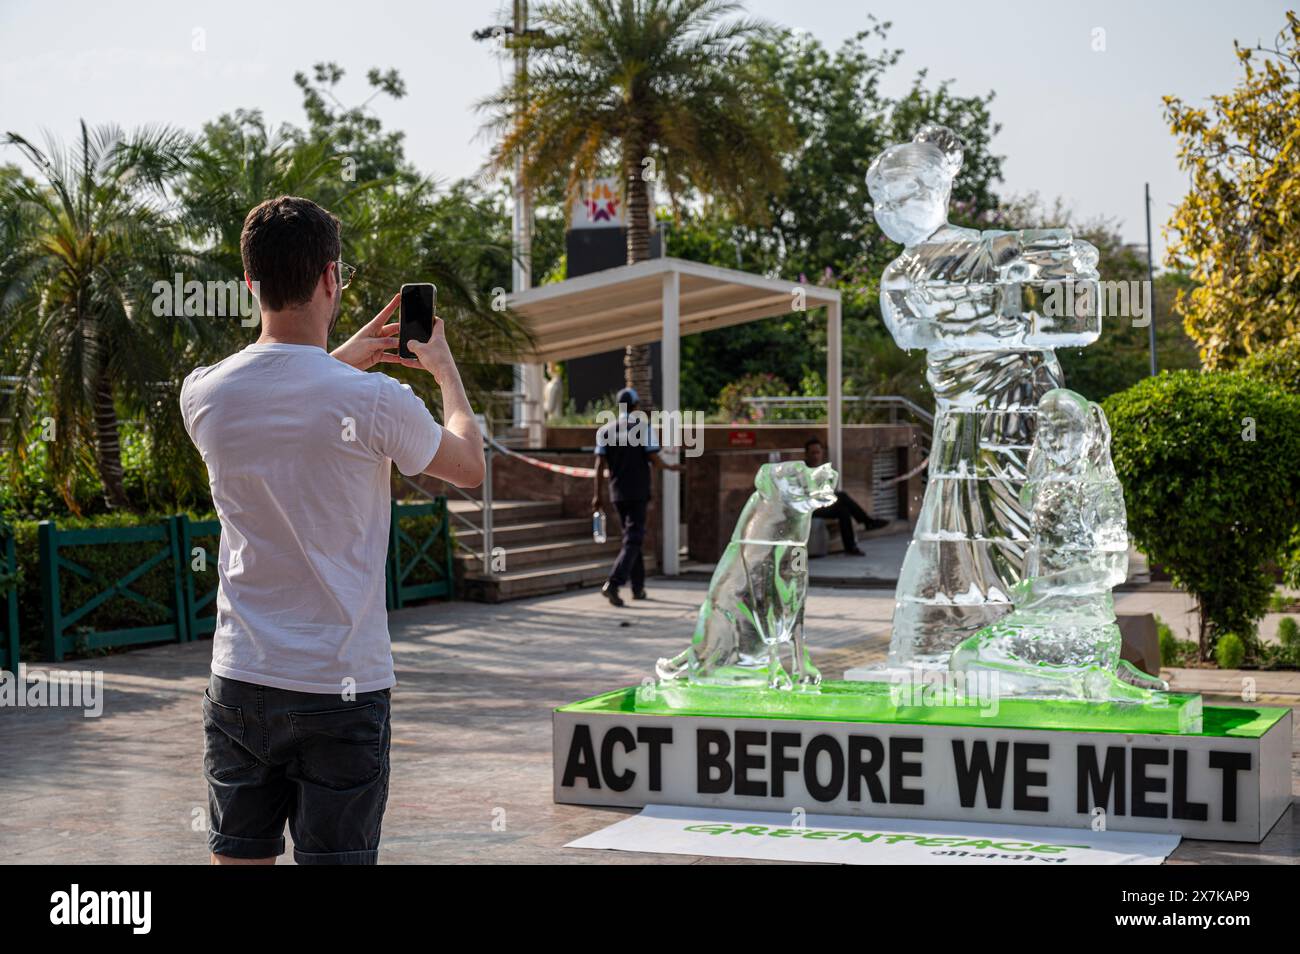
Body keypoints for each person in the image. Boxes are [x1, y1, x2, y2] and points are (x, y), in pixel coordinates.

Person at [180, 195, 485, 865]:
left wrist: (337, 359)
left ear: (250, 282)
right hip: (338, 686)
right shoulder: (378, 401)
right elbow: (469, 468)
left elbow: (284, 395)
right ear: (330, 279)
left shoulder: (202, 394)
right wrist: (444, 372)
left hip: (240, 679)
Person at [592, 387, 683, 606]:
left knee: (632, 539)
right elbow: (654, 458)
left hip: (617, 493)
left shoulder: (606, 430)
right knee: (634, 538)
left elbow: (599, 465)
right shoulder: (643, 428)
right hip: (638, 491)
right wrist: (673, 468)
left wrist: (597, 496)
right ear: (635, 406)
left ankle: (638, 587)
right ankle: (614, 583)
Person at [804, 437, 887, 556]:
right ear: (806, 454)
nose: (816, 456)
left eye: (818, 452)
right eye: (813, 453)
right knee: (842, 496)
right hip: (808, 509)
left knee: (843, 511)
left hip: (820, 505)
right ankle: (867, 522)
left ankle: (850, 547)